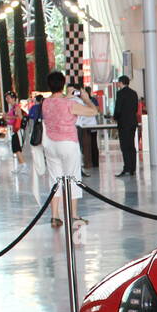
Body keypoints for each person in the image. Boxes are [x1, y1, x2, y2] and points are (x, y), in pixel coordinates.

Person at [41, 70, 101, 228]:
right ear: (63, 84)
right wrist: (86, 99)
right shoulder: (70, 104)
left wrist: (68, 96)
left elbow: (57, 102)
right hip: (67, 144)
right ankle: (73, 215)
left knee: (55, 180)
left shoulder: (45, 103)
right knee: (73, 178)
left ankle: (55, 216)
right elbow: (94, 112)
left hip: (50, 144)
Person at [113, 75, 140, 176]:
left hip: (123, 124)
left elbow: (118, 109)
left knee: (124, 146)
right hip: (132, 123)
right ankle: (133, 168)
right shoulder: (134, 93)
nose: (118, 85)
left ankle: (127, 168)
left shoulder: (120, 93)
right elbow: (136, 108)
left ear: (121, 83)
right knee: (131, 146)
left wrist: (115, 117)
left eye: (119, 83)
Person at [23, 94, 45, 178]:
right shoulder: (44, 106)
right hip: (45, 126)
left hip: (36, 127)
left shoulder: (34, 107)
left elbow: (30, 116)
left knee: (37, 146)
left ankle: (40, 168)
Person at [4, 92, 26, 173]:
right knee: (15, 148)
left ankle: (23, 164)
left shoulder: (16, 107)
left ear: (13, 98)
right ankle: (21, 164)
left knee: (17, 148)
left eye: (8, 98)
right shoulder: (12, 107)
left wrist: (8, 116)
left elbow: (19, 117)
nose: (7, 100)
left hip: (17, 130)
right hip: (13, 130)